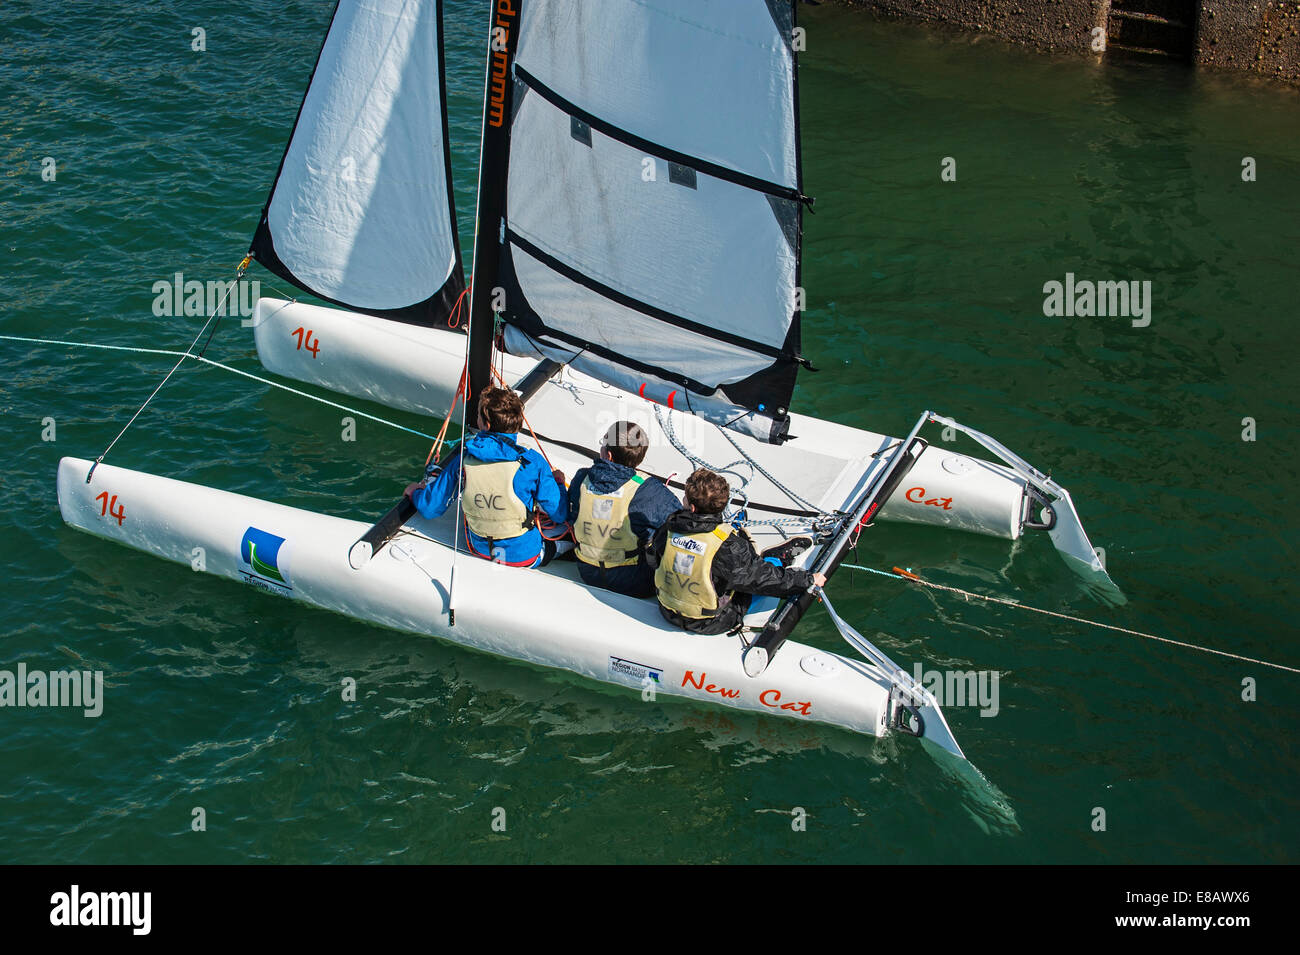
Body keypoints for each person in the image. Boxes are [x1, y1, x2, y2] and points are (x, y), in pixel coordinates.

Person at [405, 385, 569, 568]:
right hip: (524, 557)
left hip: (480, 549)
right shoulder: (533, 462)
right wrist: (559, 482)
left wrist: (415, 493)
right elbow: (559, 513)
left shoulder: (464, 458)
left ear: (486, 424)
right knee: (564, 538)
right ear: (519, 423)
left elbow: (430, 508)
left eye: (477, 416)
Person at [646, 468, 826, 635]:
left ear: (692, 508)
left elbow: (653, 560)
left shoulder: (667, 530)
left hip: (668, 610)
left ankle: (744, 540)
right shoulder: (727, 547)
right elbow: (762, 579)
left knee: (736, 567)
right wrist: (808, 579)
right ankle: (776, 559)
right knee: (754, 574)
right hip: (713, 621)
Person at [567, 421, 680, 597]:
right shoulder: (649, 490)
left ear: (608, 455)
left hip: (587, 571)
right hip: (634, 581)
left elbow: (570, 514)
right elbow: (679, 520)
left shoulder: (582, 478)